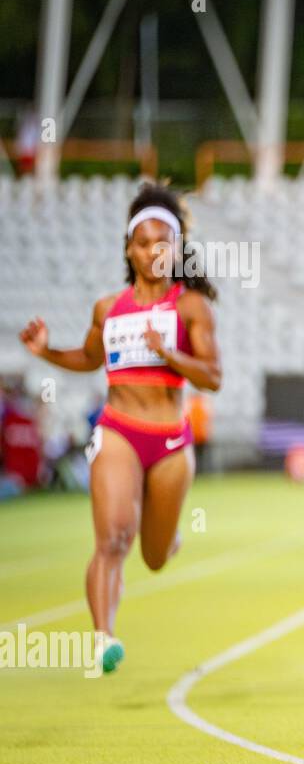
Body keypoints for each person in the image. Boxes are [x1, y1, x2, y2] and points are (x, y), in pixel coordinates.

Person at [19, 183, 221, 673]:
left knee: (153, 556)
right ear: (129, 250)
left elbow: (213, 377)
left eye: (163, 243)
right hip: (118, 431)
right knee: (112, 539)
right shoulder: (108, 309)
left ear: (176, 249)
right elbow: (89, 359)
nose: (153, 251)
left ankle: (167, 533)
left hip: (170, 441)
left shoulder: (190, 307)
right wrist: (46, 351)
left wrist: (167, 352)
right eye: (144, 242)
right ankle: (103, 638)